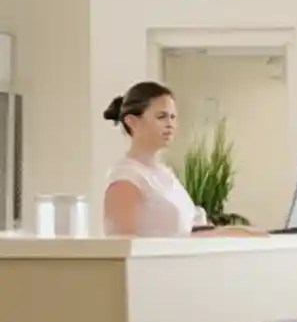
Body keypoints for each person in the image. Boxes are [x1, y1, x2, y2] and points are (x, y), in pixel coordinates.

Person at [102, 81, 262, 237]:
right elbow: (124, 247)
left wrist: (231, 232)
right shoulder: (126, 178)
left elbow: (187, 231)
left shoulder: (164, 173)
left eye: (173, 117)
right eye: (161, 117)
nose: (170, 124)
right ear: (132, 121)